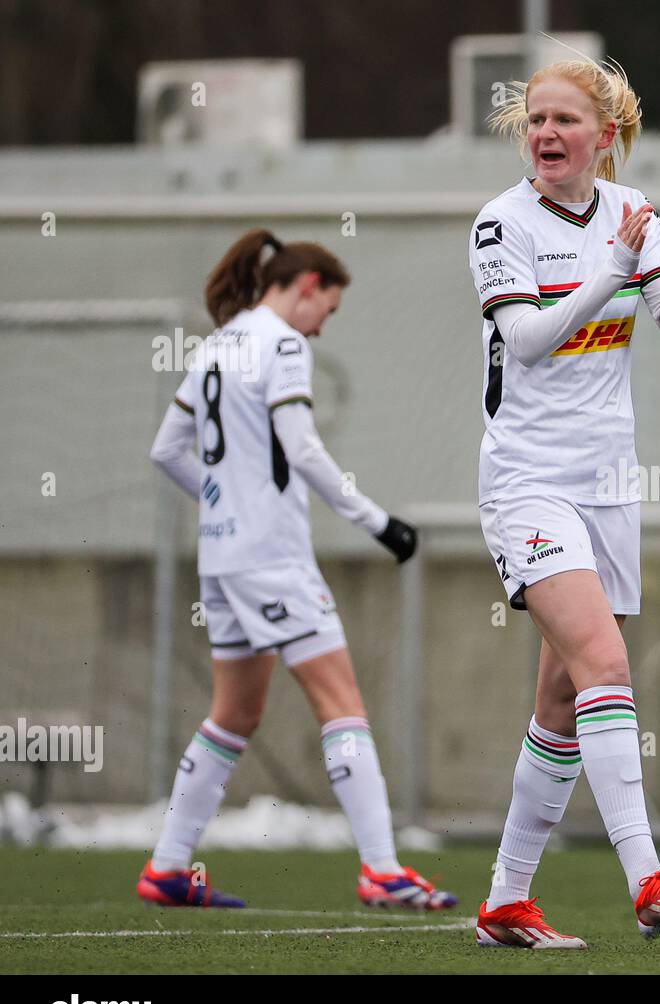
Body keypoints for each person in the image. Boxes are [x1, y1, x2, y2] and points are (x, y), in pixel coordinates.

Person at [468, 55, 660, 949]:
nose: (545, 134)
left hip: (609, 485)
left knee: (561, 704)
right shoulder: (502, 223)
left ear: (604, 137)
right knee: (607, 668)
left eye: (565, 121)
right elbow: (530, 341)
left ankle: (505, 899)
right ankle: (646, 876)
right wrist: (615, 269)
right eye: (536, 119)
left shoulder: (630, 211)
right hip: (529, 482)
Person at [139, 229, 456, 911]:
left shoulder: (218, 344)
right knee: (340, 701)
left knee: (235, 711)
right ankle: (382, 869)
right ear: (307, 285)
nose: (321, 328)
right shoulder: (282, 344)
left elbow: (167, 451)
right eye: (329, 310)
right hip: (270, 557)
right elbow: (304, 449)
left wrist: (220, 497)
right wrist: (378, 522)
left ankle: (168, 868)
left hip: (221, 555)